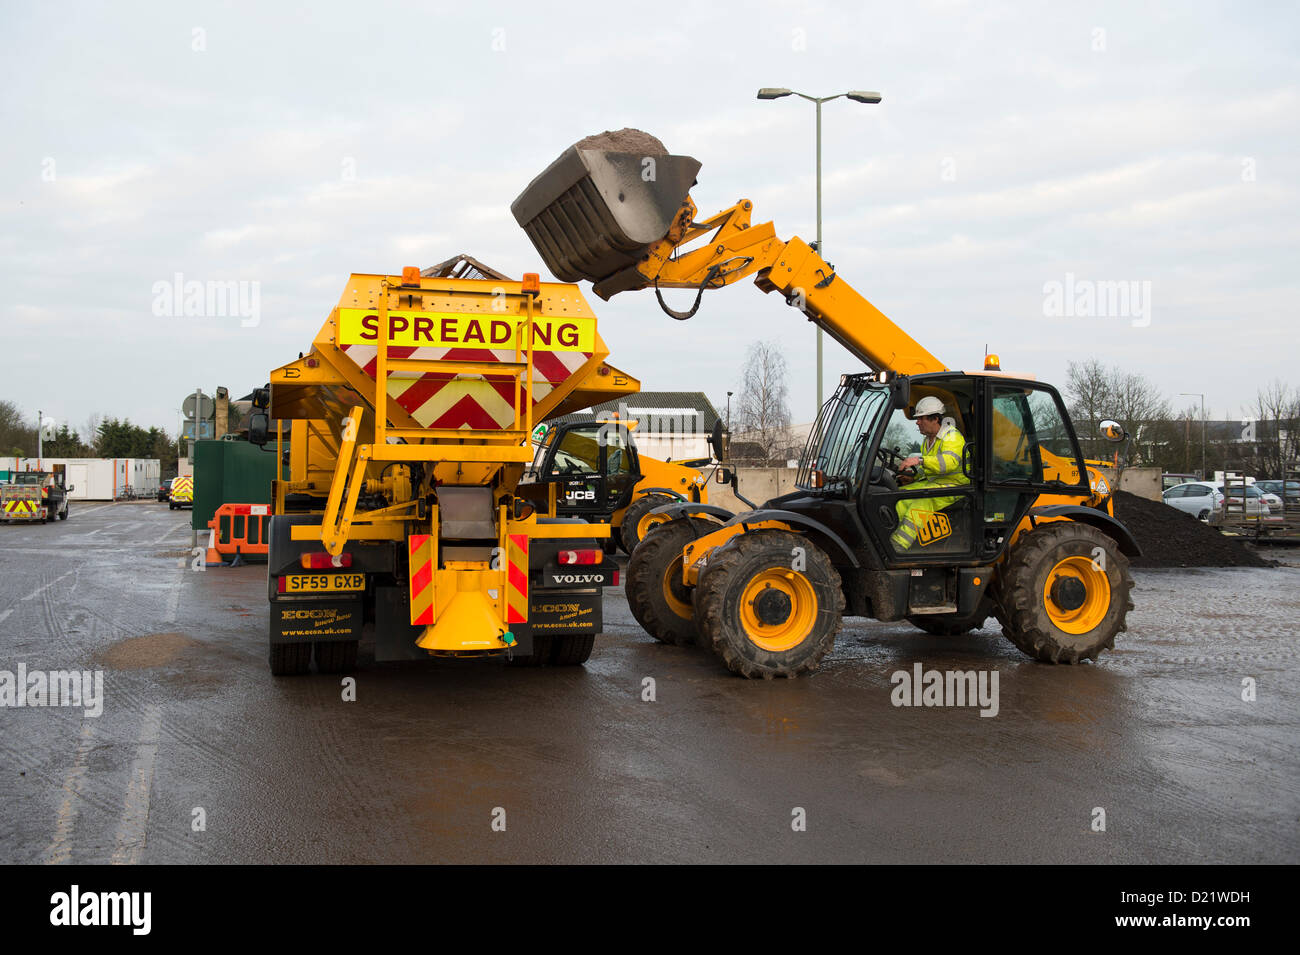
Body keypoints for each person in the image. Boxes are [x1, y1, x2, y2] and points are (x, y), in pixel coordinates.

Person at [891, 396, 969, 550]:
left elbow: (948, 463)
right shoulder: (927, 441)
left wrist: (919, 460)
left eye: (921, 418)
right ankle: (885, 536)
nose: (917, 422)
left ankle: (897, 547)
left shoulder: (952, 437)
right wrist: (911, 478)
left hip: (956, 486)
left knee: (921, 503)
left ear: (935, 419)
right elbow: (929, 471)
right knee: (898, 497)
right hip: (936, 483)